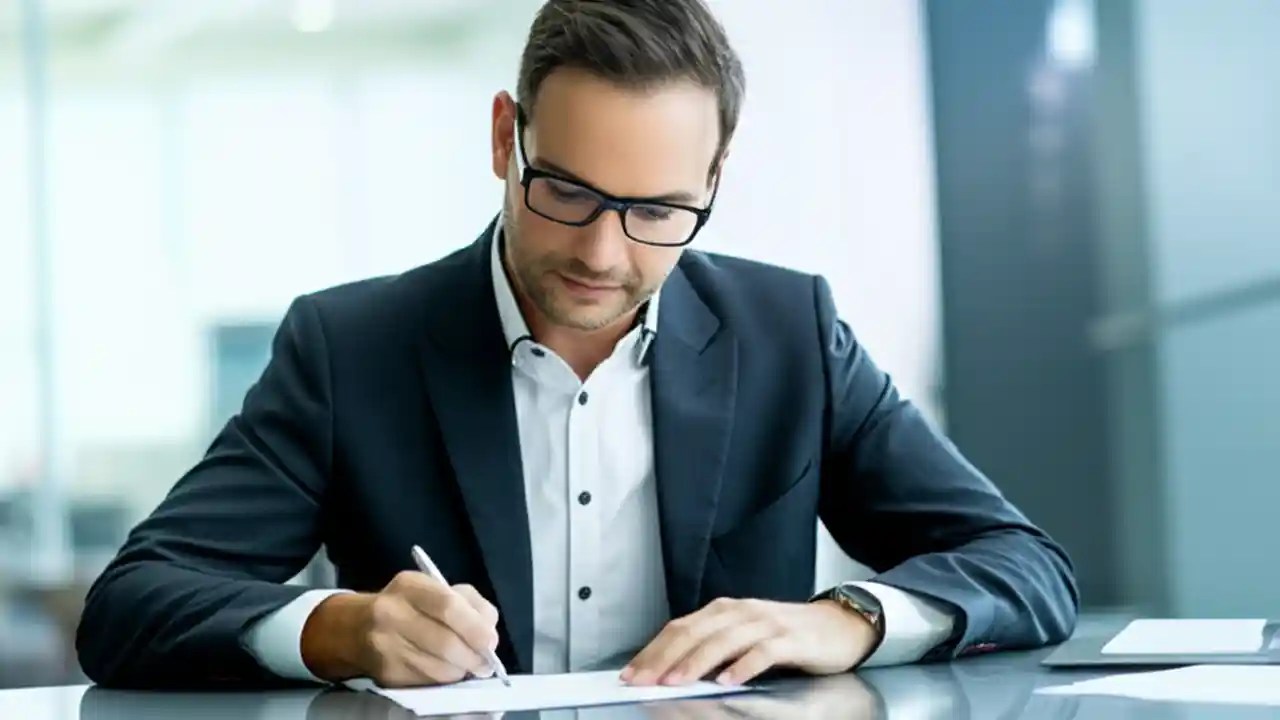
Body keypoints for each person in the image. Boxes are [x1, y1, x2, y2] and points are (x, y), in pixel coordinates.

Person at [76, 0, 1077, 690]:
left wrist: (837, 619)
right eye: (566, 193)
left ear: (713, 180)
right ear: (505, 138)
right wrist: (343, 629)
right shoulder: (352, 349)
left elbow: (1021, 567)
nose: (602, 253)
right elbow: (133, 605)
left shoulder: (790, 336)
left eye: (657, 210)